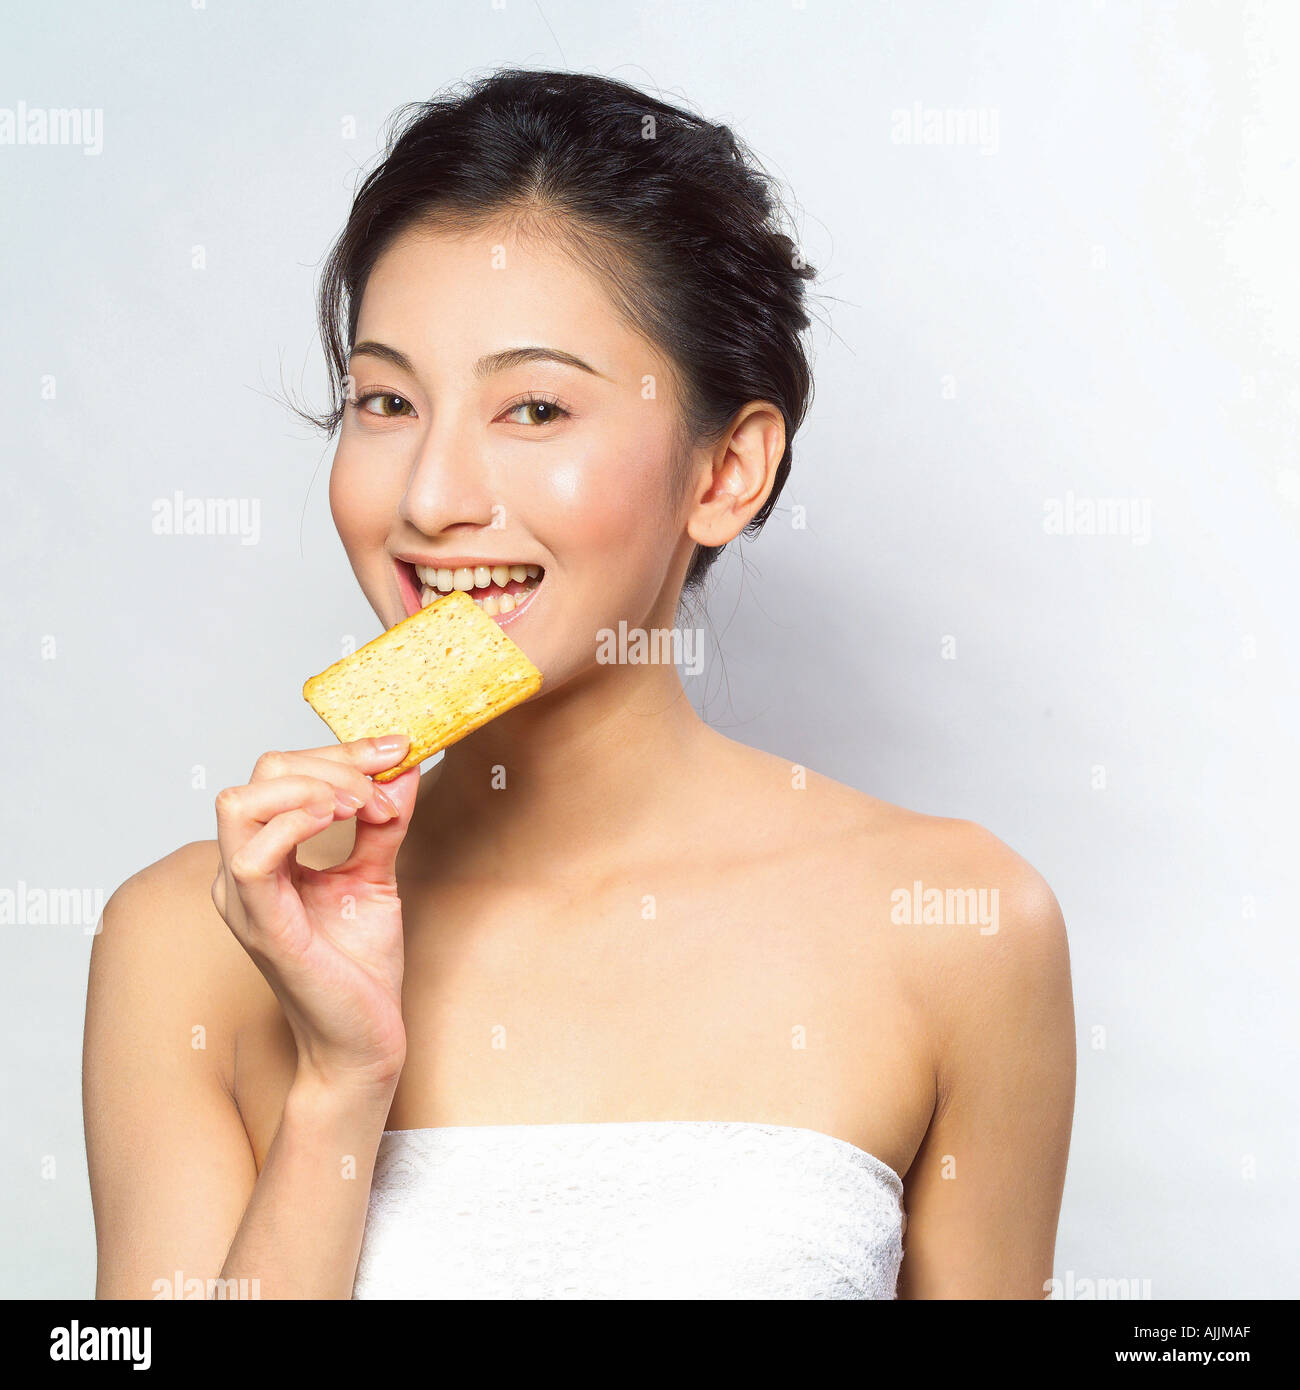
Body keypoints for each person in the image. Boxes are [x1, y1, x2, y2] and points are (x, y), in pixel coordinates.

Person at [84, 68, 1075, 1300]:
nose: (433, 497)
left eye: (536, 407)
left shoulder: (961, 921)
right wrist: (339, 1087)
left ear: (725, 469)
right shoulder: (191, 938)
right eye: (387, 401)